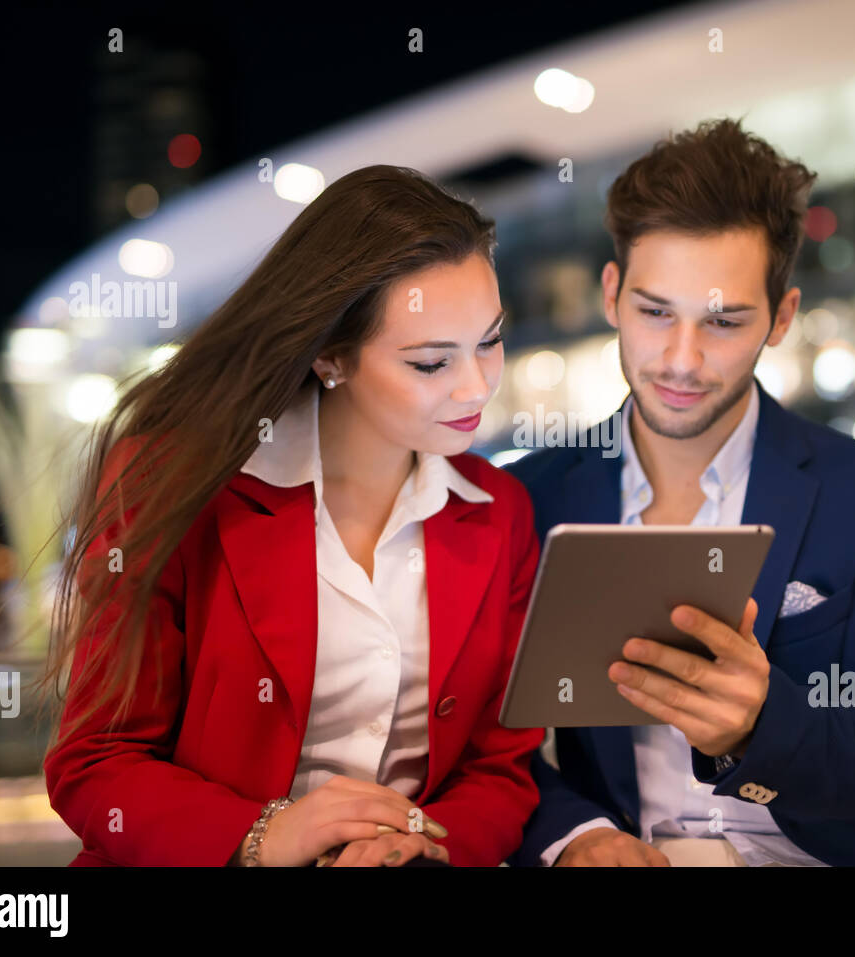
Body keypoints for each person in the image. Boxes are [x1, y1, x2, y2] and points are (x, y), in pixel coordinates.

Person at [40, 165, 543, 867]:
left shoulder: (500, 512)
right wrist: (261, 835)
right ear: (331, 357)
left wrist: (420, 850)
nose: (477, 383)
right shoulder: (176, 485)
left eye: (489, 340)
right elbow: (93, 761)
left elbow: (499, 768)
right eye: (431, 362)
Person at [505, 117, 855, 867]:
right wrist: (577, 836)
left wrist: (761, 725)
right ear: (612, 295)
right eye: (655, 313)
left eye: (722, 321)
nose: (681, 360)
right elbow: (478, 754)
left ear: (780, 318)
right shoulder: (532, 498)